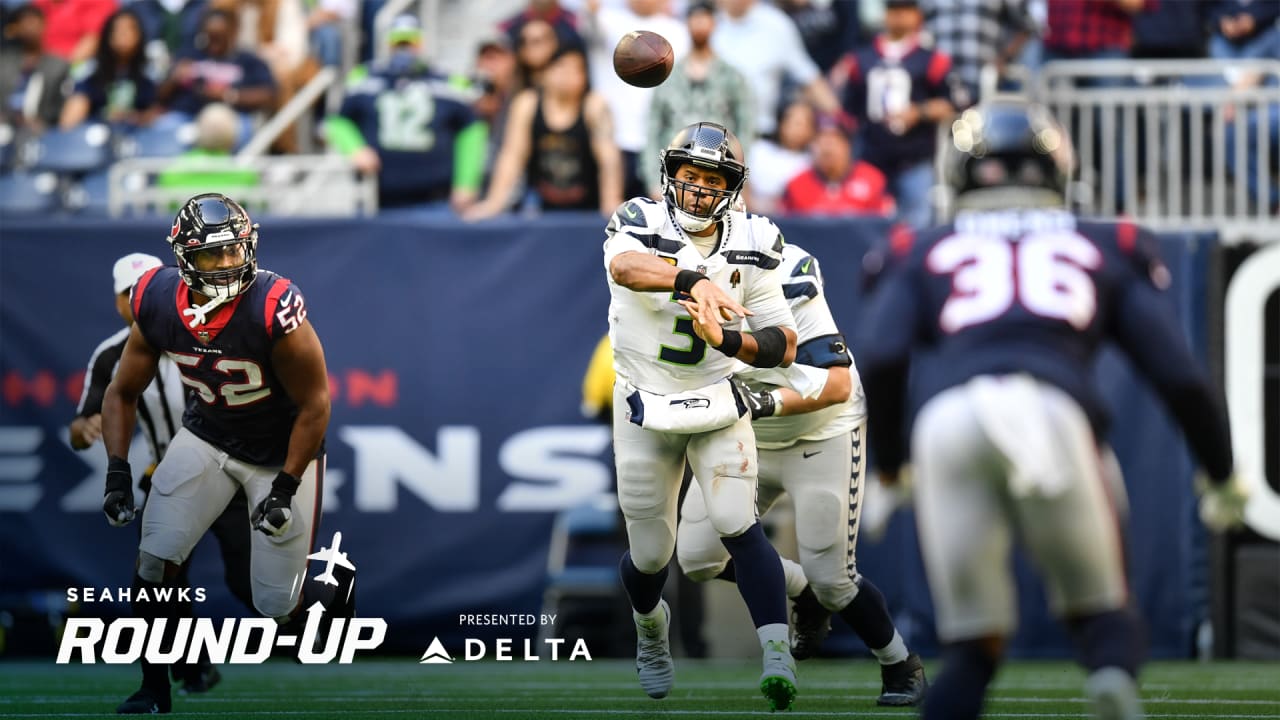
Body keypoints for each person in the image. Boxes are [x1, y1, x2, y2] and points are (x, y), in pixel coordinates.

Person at [855, 100, 1247, 720]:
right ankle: (1112, 683)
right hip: (1052, 412)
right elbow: (1182, 379)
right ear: (1056, 168)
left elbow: (879, 356)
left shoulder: (917, 244)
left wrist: (890, 467)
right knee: (1103, 616)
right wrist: (1222, 473)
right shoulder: (1106, 239)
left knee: (975, 648)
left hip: (947, 423)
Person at [101, 193, 331, 715]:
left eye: (233, 252)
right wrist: (117, 471)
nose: (227, 265)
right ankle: (153, 688)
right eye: (211, 256)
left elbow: (315, 404)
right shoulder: (157, 299)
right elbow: (121, 391)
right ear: (185, 258)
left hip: (279, 453)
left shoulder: (273, 304)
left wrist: (287, 485)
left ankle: (327, 605)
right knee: (155, 557)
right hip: (207, 436)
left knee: (275, 604)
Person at [675, 240, 928, 707]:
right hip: (744, 433)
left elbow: (835, 384)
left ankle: (899, 664)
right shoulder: (671, 268)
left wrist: (764, 401)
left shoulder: (785, 274)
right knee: (696, 556)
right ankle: (801, 589)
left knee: (833, 578)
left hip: (819, 433)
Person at [604, 121, 800, 712]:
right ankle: (650, 629)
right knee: (651, 557)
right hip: (643, 396)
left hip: (717, 393)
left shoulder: (758, 237)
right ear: (669, 175)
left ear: (730, 187)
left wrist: (732, 342)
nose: (695, 190)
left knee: (738, 523)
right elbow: (627, 269)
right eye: (687, 176)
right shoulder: (637, 219)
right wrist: (693, 278)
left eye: (710, 179)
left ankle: (777, 653)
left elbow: (784, 342)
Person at [70, 252, 253, 697]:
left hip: (228, 472)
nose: (138, 300)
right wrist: (87, 428)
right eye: (129, 294)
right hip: (166, 473)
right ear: (118, 303)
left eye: (145, 289)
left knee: (249, 581)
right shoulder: (113, 354)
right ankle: (160, 683)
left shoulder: (209, 334)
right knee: (155, 577)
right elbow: (80, 426)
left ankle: (321, 623)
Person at [325, 14, 486, 212]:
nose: (404, 49)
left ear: (421, 44)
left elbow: (472, 130)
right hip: (378, 199)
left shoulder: (448, 82)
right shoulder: (365, 78)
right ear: (388, 44)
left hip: (434, 199)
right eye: (398, 43)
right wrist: (354, 149)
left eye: (410, 43)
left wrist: (466, 182)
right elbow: (337, 121)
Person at [832, 0, 962, 229]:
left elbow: (954, 103)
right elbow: (848, 112)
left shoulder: (932, 59)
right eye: (894, 10)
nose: (899, 16)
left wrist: (920, 112)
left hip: (914, 158)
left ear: (917, 15)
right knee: (865, 228)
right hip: (870, 157)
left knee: (916, 228)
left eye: (906, 10)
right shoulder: (860, 59)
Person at [465, 43, 621, 219]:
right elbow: (512, 156)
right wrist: (494, 203)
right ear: (545, 73)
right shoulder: (527, 104)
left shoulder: (594, 106)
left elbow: (609, 161)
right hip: (541, 206)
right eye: (561, 68)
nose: (568, 76)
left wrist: (610, 203)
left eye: (576, 69)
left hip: (589, 206)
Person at [642, 0, 755, 198]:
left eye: (705, 19)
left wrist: (738, 179)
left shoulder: (731, 76)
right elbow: (652, 129)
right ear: (686, 23)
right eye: (695, 19)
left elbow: (745, 129)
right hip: (673, 175)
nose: (700, 24)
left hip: (717, 176)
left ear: (715, 24)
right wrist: (653, 180)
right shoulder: (669, 77)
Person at [59, 7, 158, 130]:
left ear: (139, 35)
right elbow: (69, 121)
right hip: (96, 133)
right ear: (108, 36)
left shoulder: (150, 71)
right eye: (118, 29)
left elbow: (155, 110)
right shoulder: (91, 71)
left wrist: (138, 117)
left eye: (129, 29)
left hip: (138, 137)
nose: (123, 34)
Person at [780, 112, 894, 217]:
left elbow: (886, 228)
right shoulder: (796, 185)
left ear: (848, 145)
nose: (827, 147)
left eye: (835, 139)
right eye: (821, 139)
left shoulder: (873, 180)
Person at [0, 3, 70, 132]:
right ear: (16, 28)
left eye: (33, 22)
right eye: (24, 23)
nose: (29, 28)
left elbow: (60, 104)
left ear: (44, 25)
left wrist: (45, 122)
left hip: (41, 129)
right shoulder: (3, 62)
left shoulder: (58, 65)